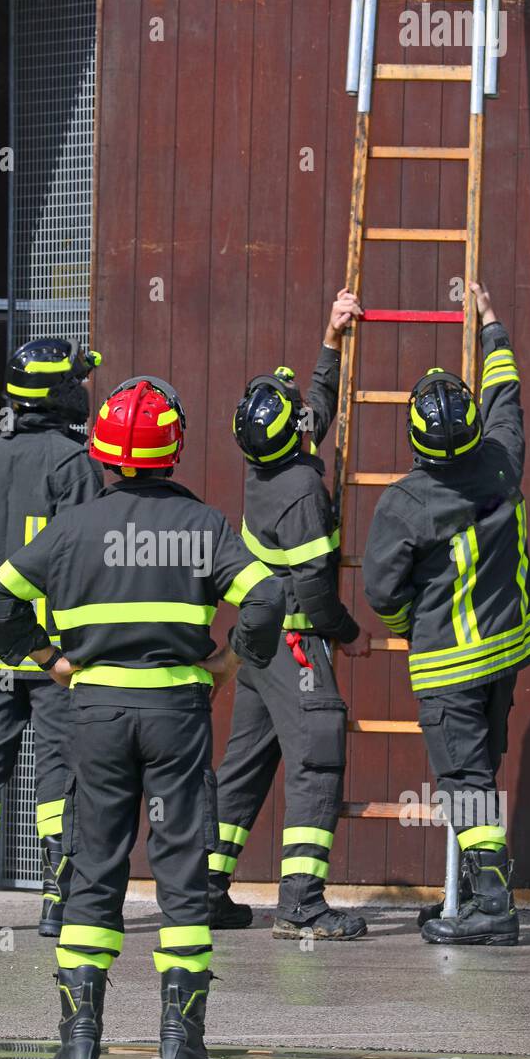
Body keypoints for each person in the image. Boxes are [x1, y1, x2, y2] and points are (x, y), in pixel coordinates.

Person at [0, 376, 285, 1059]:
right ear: (173, 450)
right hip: (177, 715)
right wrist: (230, 659)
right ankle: (180, 1048)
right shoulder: (205, 527)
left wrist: (51, 660)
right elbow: (266, 596)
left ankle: (78, 1045)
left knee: (94, 868)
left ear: (104, 453)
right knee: (181, 874)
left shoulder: (73, 528)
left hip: (94, 715)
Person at [363, 282, 530, 945]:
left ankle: (494, 908)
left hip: (448, 666)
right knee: (481, 773)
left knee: (465, 780)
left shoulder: (404, 504)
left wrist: (406, 632)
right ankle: (472, 891)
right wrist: (492, 325)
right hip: (506, 652)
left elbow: (383, 594)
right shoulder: (503, 462)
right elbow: (508, 397)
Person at [210, 290, 371, 940]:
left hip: (257, 644)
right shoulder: (301, 491)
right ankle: (301, 902)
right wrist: (350, 634)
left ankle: (203, 888)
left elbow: (318, 410)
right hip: (297, 645)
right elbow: (312, 592)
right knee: (317, 761)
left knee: (245, 765)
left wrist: (331, 337)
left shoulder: (267, 465)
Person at [0, 337, 102, 935]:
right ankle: (55, 902)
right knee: (58, 769)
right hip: (57, 655)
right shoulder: (74, 465)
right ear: (62, 394)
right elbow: (86, 562)